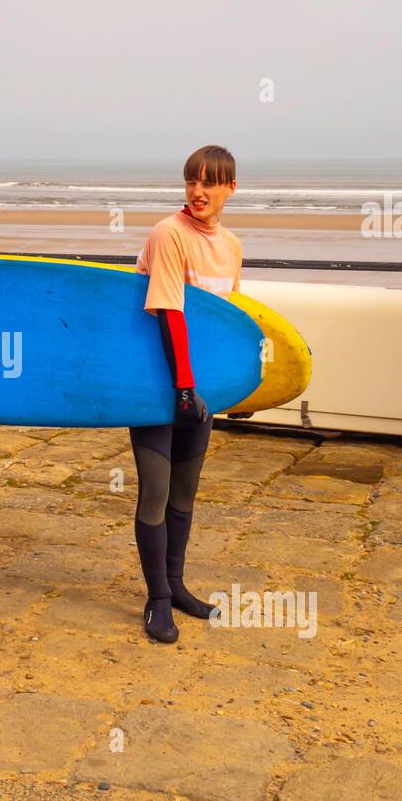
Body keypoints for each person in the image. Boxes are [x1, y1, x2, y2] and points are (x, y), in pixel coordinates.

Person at [131, 144, 243, 642]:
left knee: (185, 490)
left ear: (229, 189)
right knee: (155, 491)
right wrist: (182, 389)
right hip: (159, 383)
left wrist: (225, 387)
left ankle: (177, 585)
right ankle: (156, 601)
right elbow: (171, 311)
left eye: (210, 183)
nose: (198, 192)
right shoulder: (168, 234)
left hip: (201, 389)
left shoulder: (232, 246)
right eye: (191, 181)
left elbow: (224, 326)